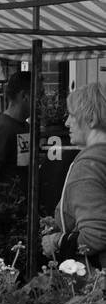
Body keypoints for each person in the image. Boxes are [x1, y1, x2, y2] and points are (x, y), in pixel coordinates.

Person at [42, 83, 106, 270]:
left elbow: (96, 236)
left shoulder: (88, 166)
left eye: (71, 115)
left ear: (91, 119)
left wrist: (57, 241)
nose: (67, 123)